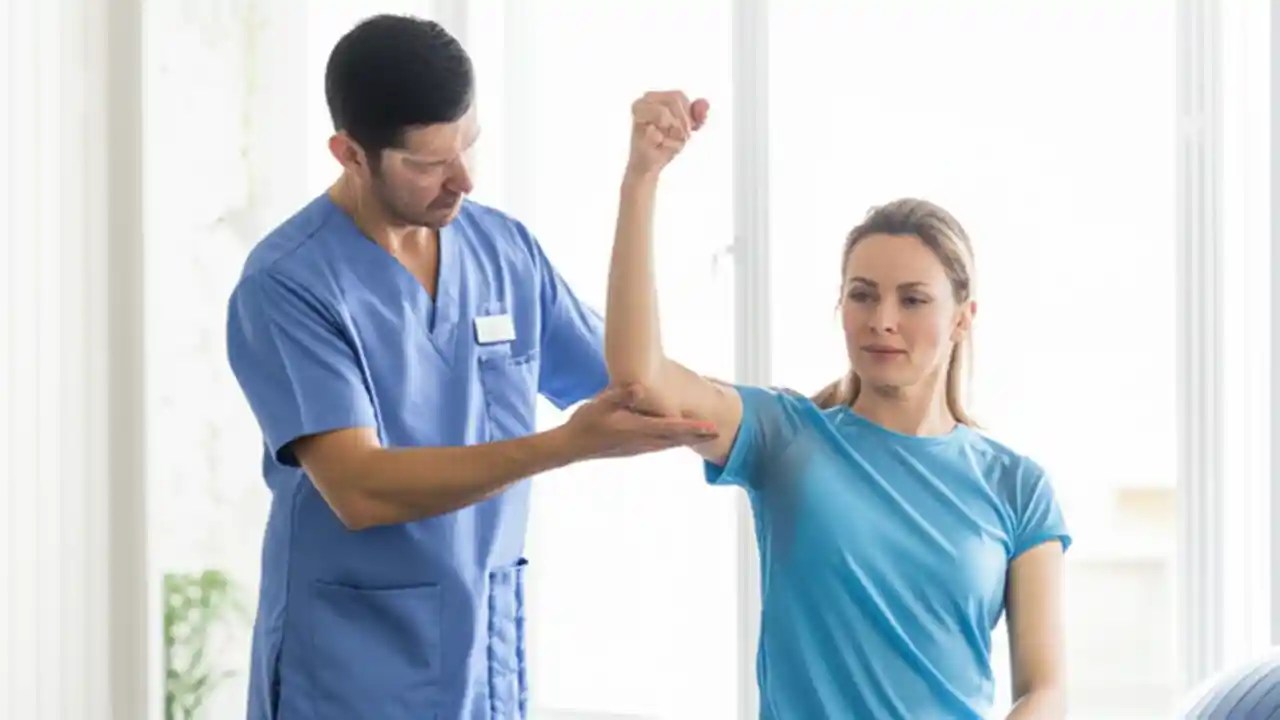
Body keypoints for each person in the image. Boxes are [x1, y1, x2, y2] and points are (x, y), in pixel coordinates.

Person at [224, 17, 717, 720]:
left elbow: (634, 383)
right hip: (349, 674)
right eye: (428, 164)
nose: (464, 179)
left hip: (483, 664)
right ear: (350, 154)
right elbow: (359, 488)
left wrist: (641, 181)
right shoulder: (289, 284)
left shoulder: (502, 251)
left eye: (469, 145)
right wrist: (564, 446)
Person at [604, 91, 1072, 719]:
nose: (882, 321)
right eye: (862, 295)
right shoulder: (785, 437)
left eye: (912, 300)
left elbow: (1044, 689)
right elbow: (642, 376)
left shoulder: (1017, 486)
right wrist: (642, 179)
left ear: (963, 319)